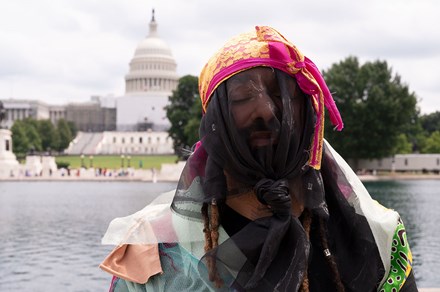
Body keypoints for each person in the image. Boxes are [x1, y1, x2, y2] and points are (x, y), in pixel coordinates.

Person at [100, 26, 417, 291]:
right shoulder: (152, 255)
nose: (265, 111)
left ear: (307, 115)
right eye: (242, 97)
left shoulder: (377, 240)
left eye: (281, 95)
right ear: (216, 123)